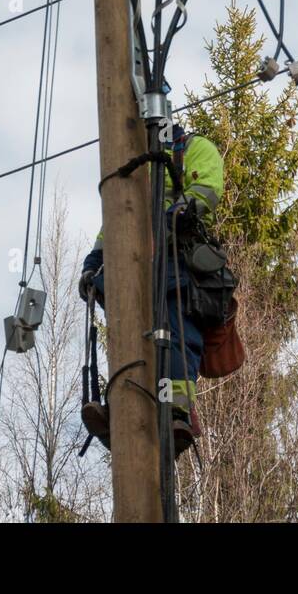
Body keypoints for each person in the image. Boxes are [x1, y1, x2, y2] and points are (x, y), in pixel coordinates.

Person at [78, 123, 229, 457]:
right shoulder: (133, 170)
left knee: (177, 332)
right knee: (127, 334)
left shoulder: (194, 148)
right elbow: (115, 222)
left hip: (177, 260)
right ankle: (122, 410)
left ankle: (177, 412)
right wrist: (94, 262)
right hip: (132, 267)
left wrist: (171, 216)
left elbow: (207, 189)